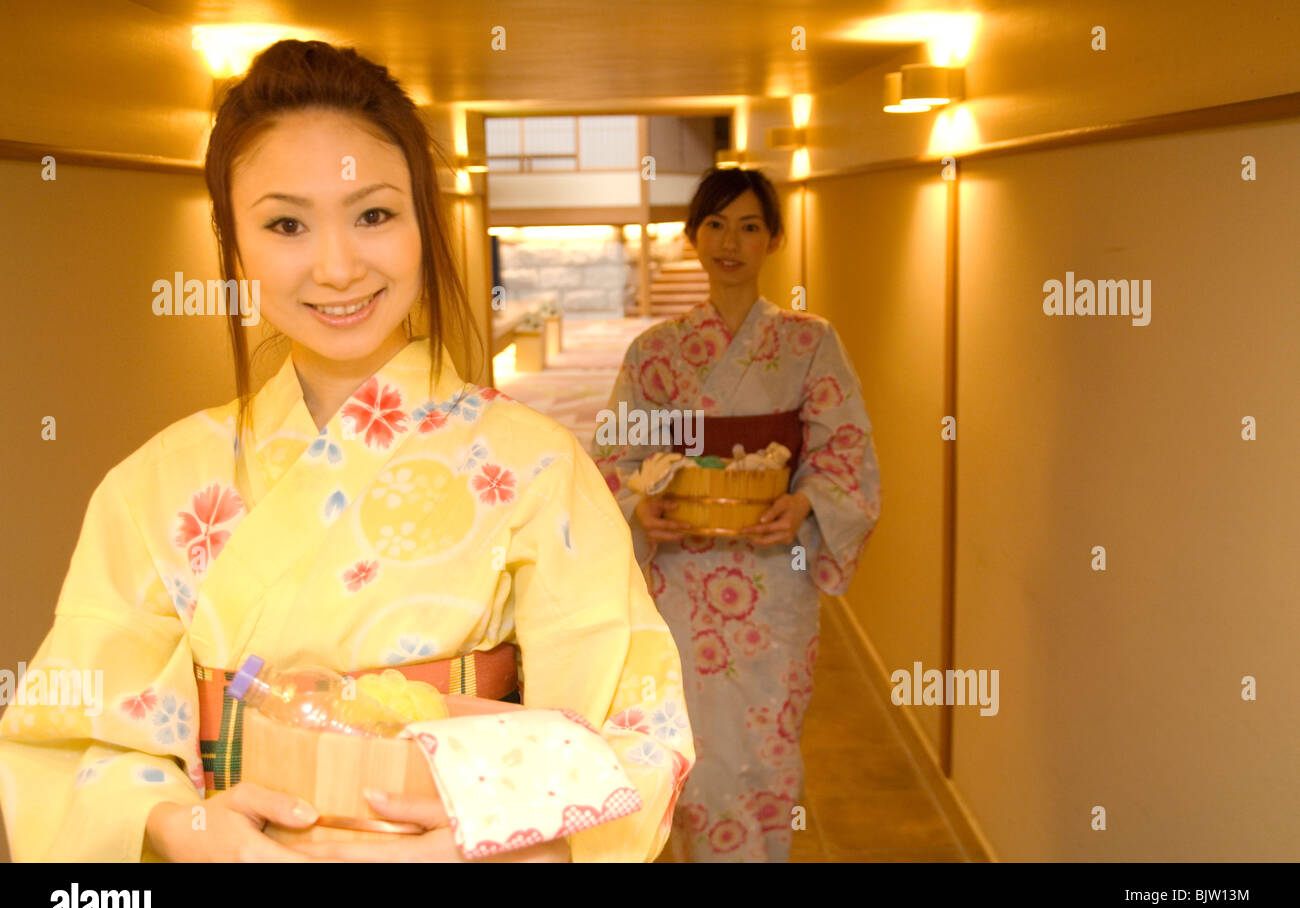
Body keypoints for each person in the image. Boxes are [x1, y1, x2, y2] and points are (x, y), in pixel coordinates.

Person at [0, 40, 692, 863]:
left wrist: (508, 834)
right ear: (233, 245)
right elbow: (73, 733)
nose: (337, 266)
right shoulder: (155, 484)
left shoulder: (538, 467)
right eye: (286, 223)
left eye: (373, 214)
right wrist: (183, 827)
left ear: (423, 221)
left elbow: (636, 731)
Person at [591, 167, 881, 862]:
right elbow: (615, 456)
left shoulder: (811, 342)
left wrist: (806, 501)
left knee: (767, 740)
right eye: (715, 225)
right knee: (692, 740)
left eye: (749, 226)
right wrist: (640, 503)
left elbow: (845, 447)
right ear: (692, 238)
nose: (730, 241)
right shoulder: (654, 353)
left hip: (775, 573)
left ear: (773, 239)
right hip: (684, 582)